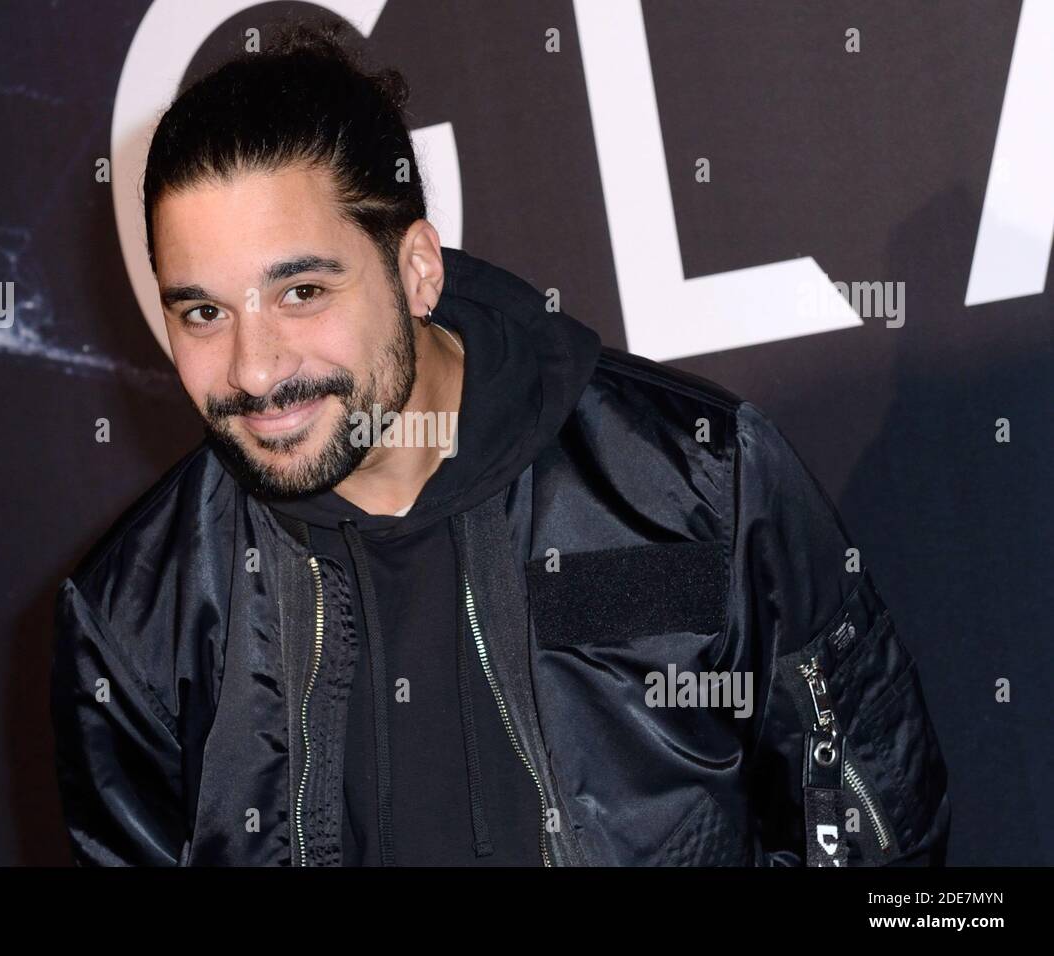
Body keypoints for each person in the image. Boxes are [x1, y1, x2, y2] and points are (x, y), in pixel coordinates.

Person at [49, 19, 949, 867]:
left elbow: (873, 825)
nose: (252, 369)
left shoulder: (698, 481)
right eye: (203, 312)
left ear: (416, 270)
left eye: (302, 293)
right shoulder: (137, 618)